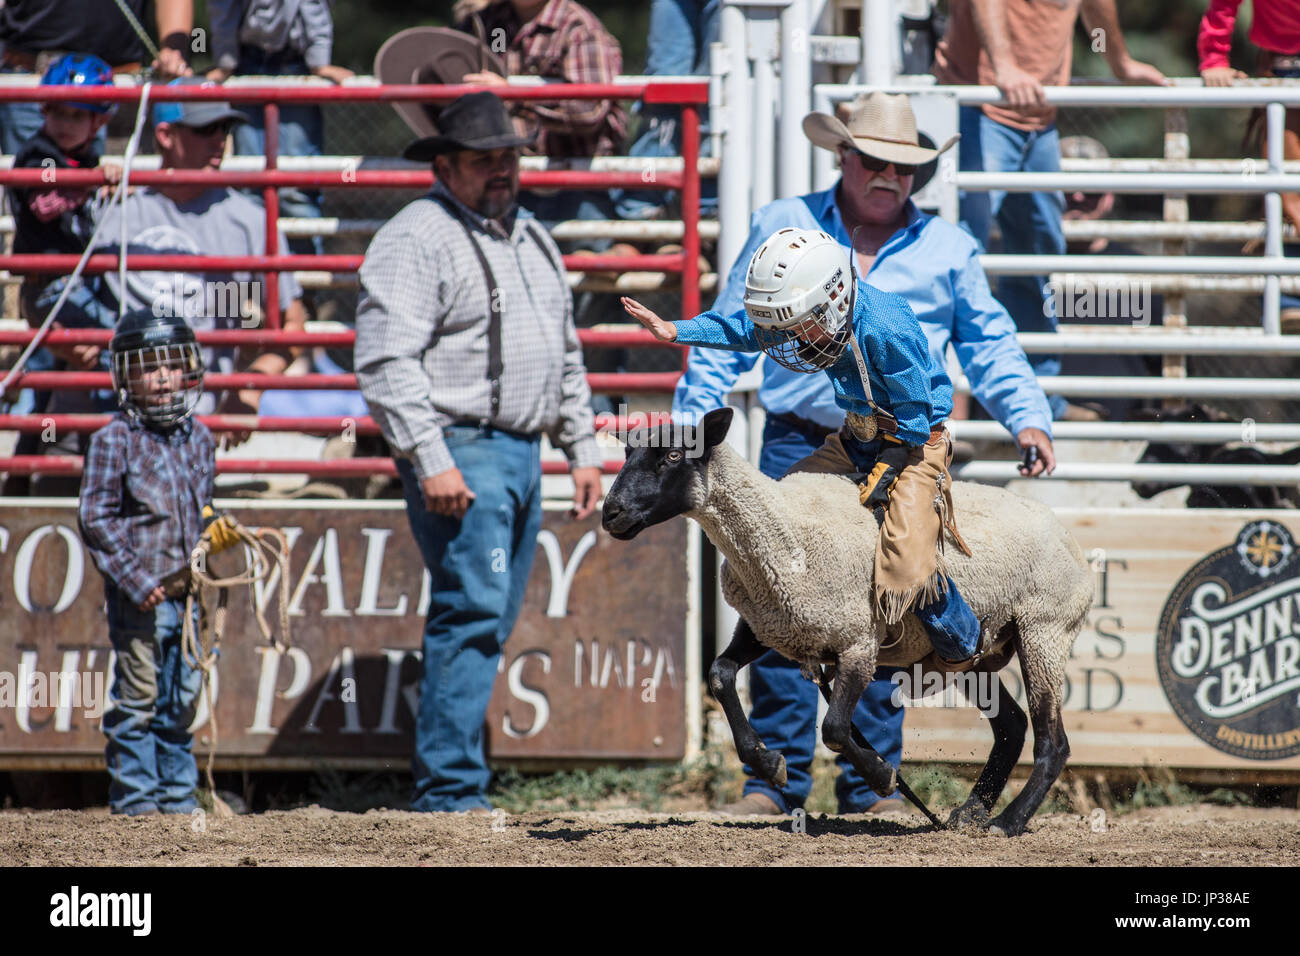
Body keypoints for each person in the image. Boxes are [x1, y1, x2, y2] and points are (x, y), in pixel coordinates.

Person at [671, 92, 1056, 818]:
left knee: (880, 606)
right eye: (874, 160)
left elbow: (989, 341)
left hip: (901, 446)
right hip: (807, 437)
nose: (889, 177)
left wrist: (1027, 416)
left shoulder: (949, 250)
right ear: (841, 156)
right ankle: (772, 786)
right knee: (779, 598)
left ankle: (866, 786)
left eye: (904, 168)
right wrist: (691, 429)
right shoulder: (782, 229)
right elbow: (735, 324)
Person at [353, 91, 604, 813]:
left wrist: (581, 444)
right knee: (474, 609)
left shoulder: (530, 233)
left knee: (486, 613)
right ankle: (450, 790)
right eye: (483, 159)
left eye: (508, 157)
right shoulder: (415, 237)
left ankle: (452, 781)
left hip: (518, 451)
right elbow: (386, 362)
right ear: (446, 165)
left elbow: (563, 349)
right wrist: (431, 458)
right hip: (464, 447)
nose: (501, 170)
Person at [626, 227, 984, 667]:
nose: (790, 338)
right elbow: (744, 331)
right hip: (858, 434)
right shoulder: (814, 318)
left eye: (797, 327)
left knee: (904, 552)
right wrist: (675, 330)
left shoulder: (888, 327)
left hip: (915, 440)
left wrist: (894, 458)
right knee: (786, 501)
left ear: (832, 300)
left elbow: (915, 406)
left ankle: (962, 638)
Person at [932, 0, 1166, 423]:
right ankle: (944, 410)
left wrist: (1120, 62)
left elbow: (1096, 5)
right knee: (959, 255)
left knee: (1039, 254)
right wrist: (1003, 67)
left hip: (1038, 120)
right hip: (978, 106)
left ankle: (1038, 400)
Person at [88, 77, 309, 444]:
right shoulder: (115, 206)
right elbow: (54, 293)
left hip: (194, 418)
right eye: (205, 128)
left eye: (223, 128)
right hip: (107, 409)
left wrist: (247, 390)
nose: (218, 140)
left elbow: (293, 323)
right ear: (165, 135)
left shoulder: (248, 220)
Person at [78, 310, 215, 817]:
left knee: (181, 701)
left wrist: (215, 531)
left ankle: (177, 803)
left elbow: (199, 505)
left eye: (172, 365)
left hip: (190, 599)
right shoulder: (113, 441)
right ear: (125, 377)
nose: (161, 378)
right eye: (147, 367)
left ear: (189, 371)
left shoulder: (199, 437)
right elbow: (96, 518)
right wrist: (136, 579)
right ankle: (137, 808)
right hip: (141, 600)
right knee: (138, 700)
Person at [5, 55, 121, 435]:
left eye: (77, 116)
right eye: (59, 115)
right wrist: (92, 180)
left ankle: (30, 462)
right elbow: (44, 203)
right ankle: (114, 435)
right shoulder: (39, 155)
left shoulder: (80, 157)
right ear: (44, 111)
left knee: (48, 381)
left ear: (97, 121)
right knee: (116, 346)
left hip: (70, 286)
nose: (66, 125)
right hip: (50, 288)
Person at [454, 0, 627, 230]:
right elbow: (462, 62)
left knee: (584, 258)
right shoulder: (494, 24)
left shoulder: (578, 28)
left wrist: (513, 95)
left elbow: (588, 110)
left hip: (575, 185)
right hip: (507, 181)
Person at [207, 0, 355, 256]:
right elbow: (223, 8)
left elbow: (313, 6)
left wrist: (319, 61)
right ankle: (253, 283)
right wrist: (225, 60)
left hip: (294, 60)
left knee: (295, 188)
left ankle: (303, 286)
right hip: (245, 63)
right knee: (250, 184)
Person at [0, 0, 193, 154]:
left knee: (118, 192)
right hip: (31, 81)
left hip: (123, 85)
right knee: (35, 187)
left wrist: (173, 50)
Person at [1057, 134, 1161, 420]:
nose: (1077, 197)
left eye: (1090, 188)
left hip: (1125, 435)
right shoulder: (1019, 267)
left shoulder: (1140, 271)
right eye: (1066, 187)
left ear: (1109, 196)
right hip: (1039, 433)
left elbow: (1167, 365)